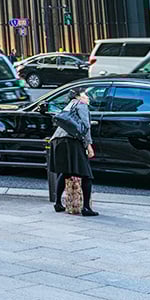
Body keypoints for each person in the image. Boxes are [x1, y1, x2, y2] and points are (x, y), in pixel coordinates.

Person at [50, 86, 98, 216]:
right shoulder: (81, 105)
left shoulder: (69, 105)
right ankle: (86, 208)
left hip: (57, 140)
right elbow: (85, 127)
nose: (87, 97)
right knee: (86, 175)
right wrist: (88, 145)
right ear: (78, 96)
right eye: (85, 94)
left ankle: (58, 203)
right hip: (71, 141)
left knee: (65, 172)